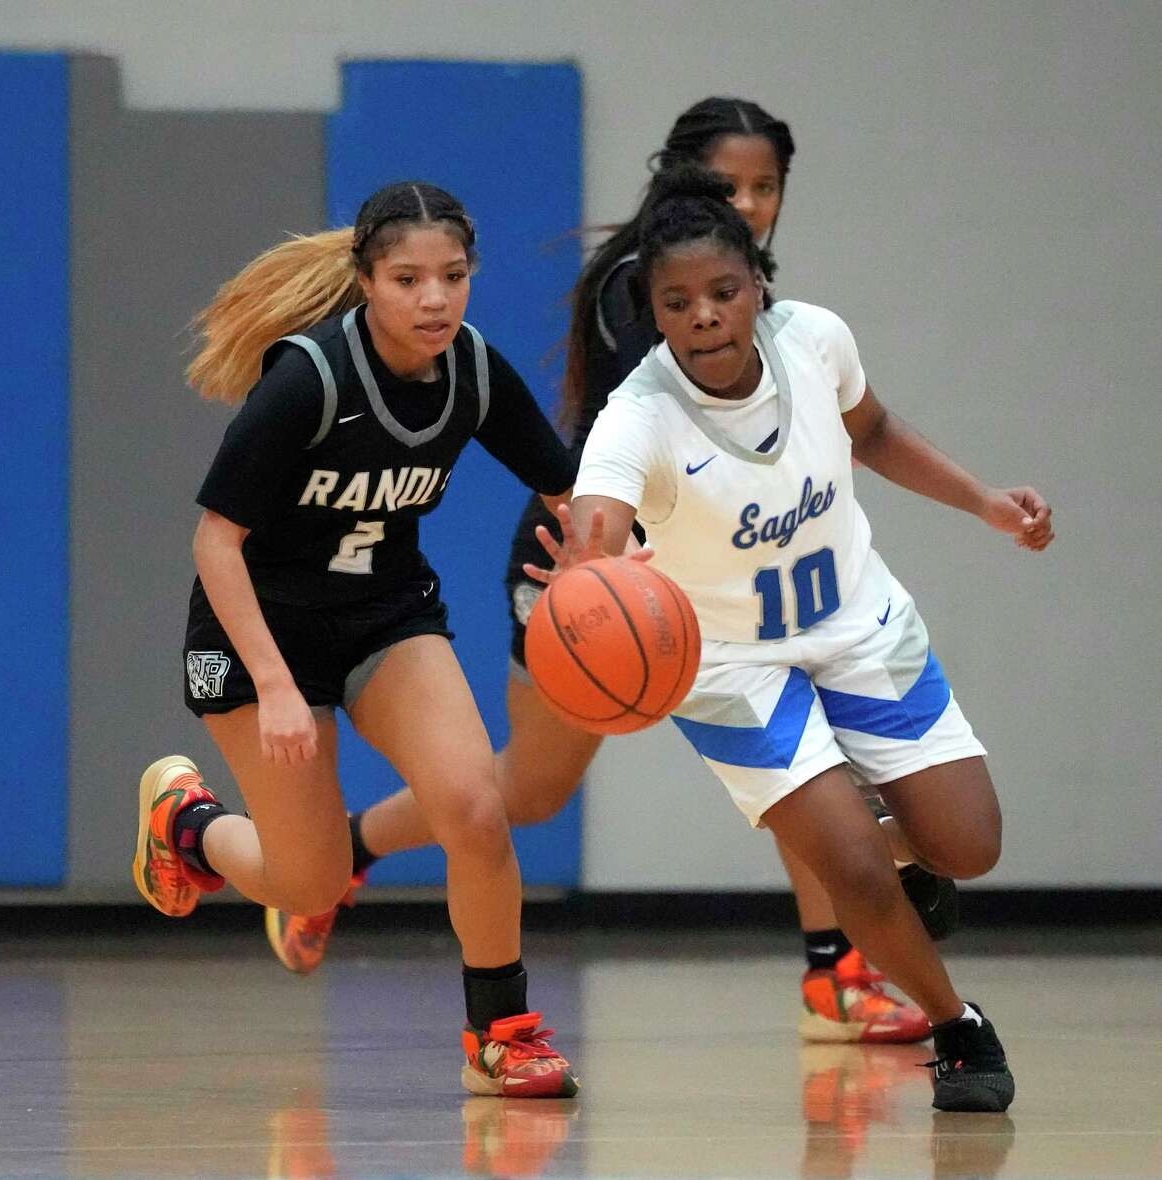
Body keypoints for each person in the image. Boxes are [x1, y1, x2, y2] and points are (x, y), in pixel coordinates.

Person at [271, 97, 944, 1049]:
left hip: (714, 562)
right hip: (594, 560)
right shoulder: (639, 288)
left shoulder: (760, 301)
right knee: (528, 790)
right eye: (729, 185)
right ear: (683, 179)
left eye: (766, 187)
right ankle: (346, 850)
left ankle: (835, 972)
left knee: (809, 753)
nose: (749, 204)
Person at [529, 163, 1054, 1111]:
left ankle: (897, 849)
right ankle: (956, 1028)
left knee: (969, 846)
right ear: (654, 313)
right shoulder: (636, 417)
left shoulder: (815, 340)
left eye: (723, 292)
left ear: (757, 287)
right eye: (677, 302)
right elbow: (597, 528)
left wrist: (982, 500)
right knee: (849, 866)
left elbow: (874, 432)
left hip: (858, 622)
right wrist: (586, 576)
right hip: (731, 668)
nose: (703, 316)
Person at [131, 180, 580, 1099]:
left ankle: (502, 1033)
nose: (435, 299)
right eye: (408, 279)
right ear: (367, 281)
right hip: (259, 630)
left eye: (453, 276)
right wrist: (276, 686)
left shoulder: (473, 370)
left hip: (385, 613)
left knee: (477, 809)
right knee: (309, 884)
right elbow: (216, 542)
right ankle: (188, 825)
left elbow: (568, 489)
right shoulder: (311, 381)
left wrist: (611, 560)